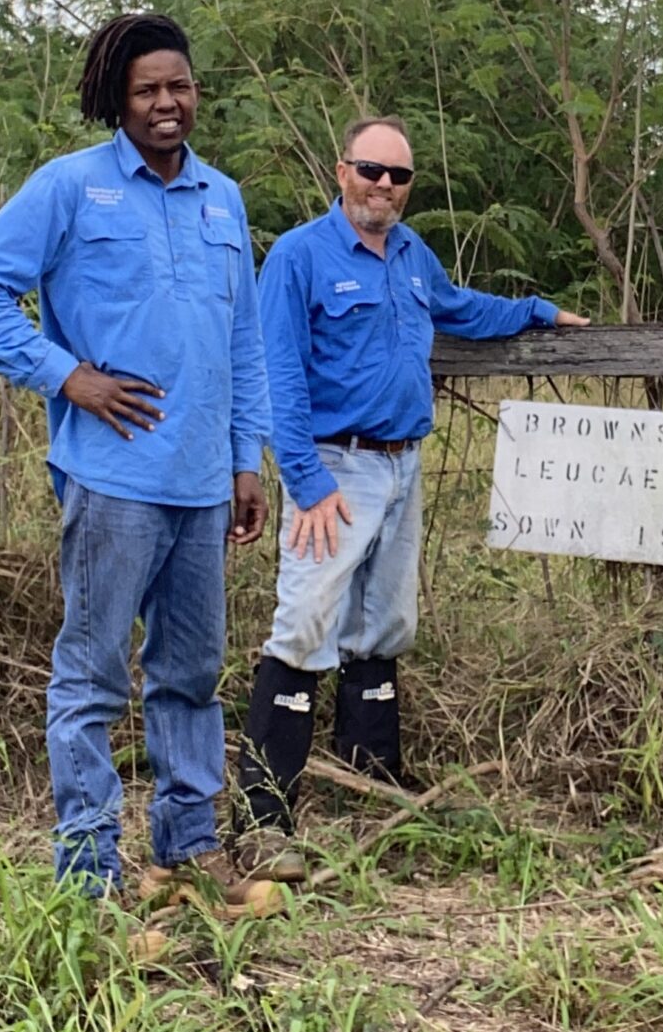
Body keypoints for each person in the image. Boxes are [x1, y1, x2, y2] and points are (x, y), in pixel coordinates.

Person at [0, 12, 275, 914]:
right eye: (147, 91)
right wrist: (67, 376)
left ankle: (187, 855)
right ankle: (88, 882)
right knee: (91, 679)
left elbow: (243, 341)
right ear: (115, 100)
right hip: (114, 480)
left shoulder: (222, 200)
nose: (167, 104)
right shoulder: (70, 189)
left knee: (191, 677)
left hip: (205, 485)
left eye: (180, 86)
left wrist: (247, 460)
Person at [239, 115, 589, 878]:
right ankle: (263, 818)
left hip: (402, 465)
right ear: (342, 172)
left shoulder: (409, 255)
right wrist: (305, 480)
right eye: (371, 171)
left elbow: (460, 308)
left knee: (385, 623)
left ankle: (374, 783)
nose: (384, 188)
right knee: (304, 624)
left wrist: (533, 309)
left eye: (398, 177)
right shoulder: (299, 257)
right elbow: (278, 376)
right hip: (335, 467)